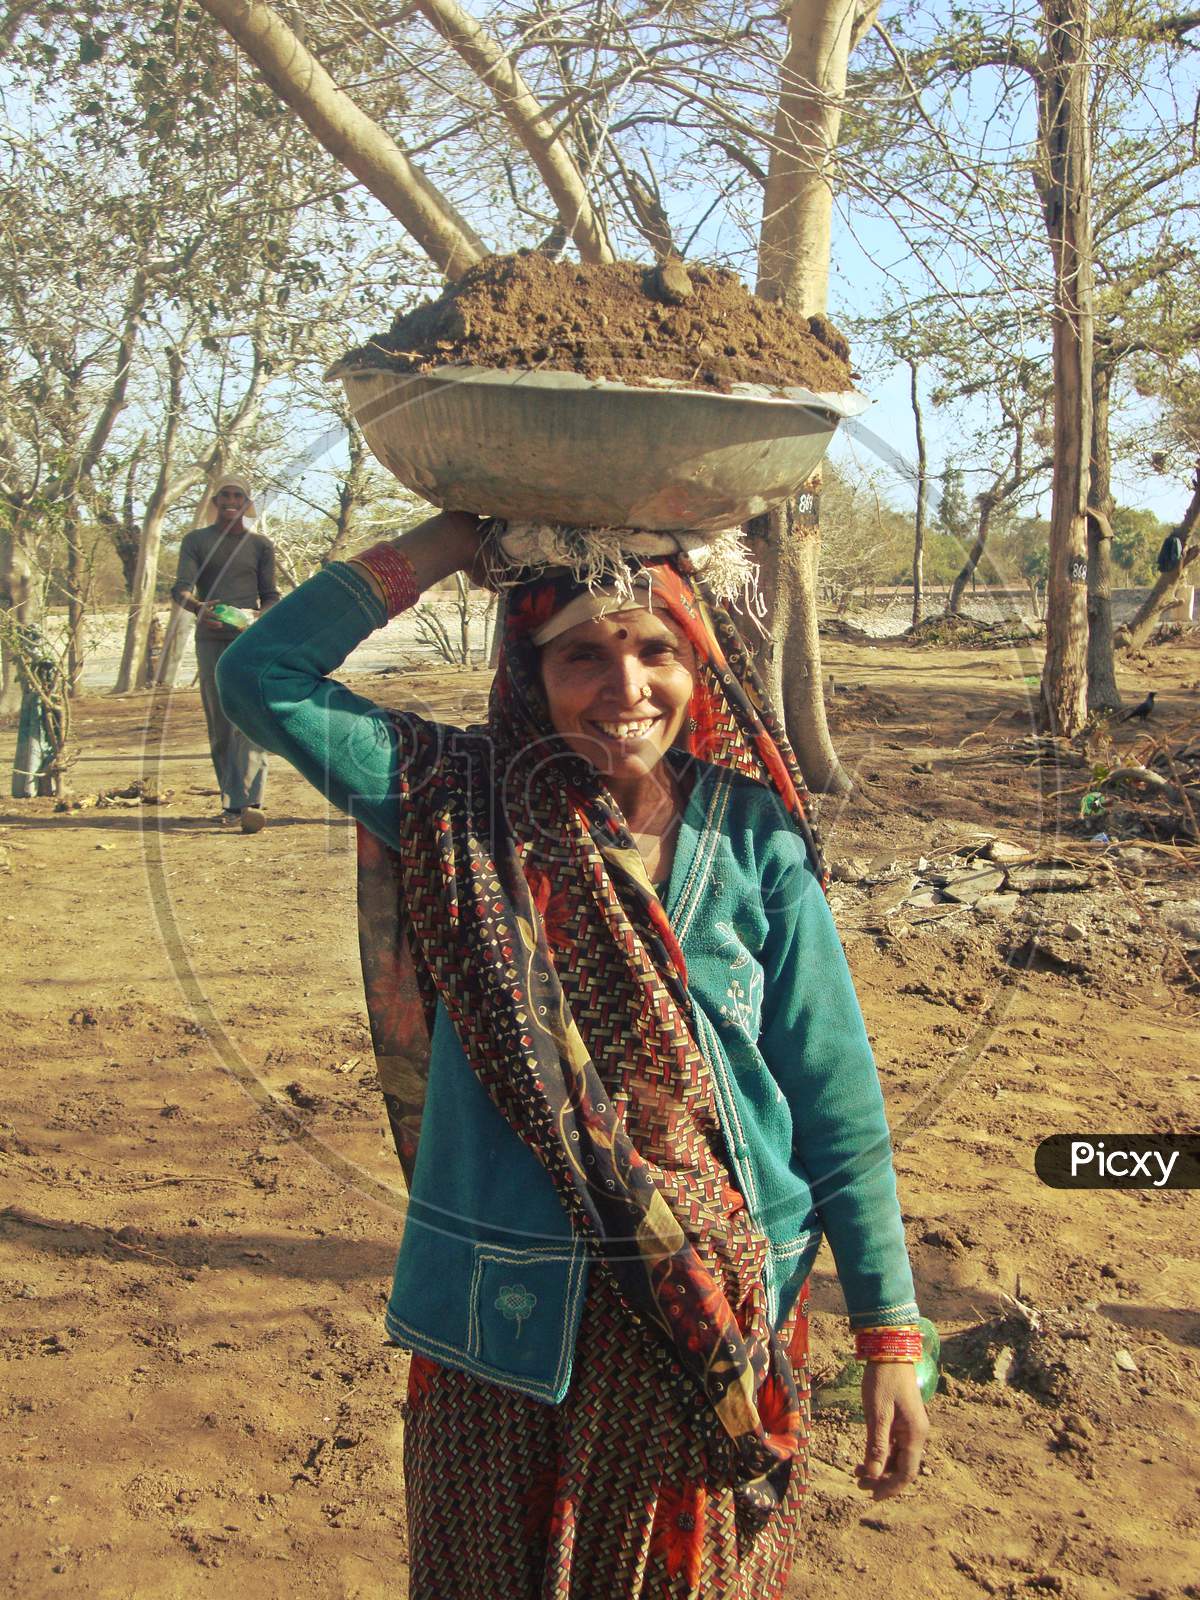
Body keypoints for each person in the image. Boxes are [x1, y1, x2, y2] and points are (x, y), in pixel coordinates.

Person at [217, 510, 928, 1599]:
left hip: (714, 1319)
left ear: (700, 663)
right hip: (503, 1320)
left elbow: (837, 1102)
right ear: (527, 667)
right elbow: (262, 672)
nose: (625, 686)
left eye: (657, 650)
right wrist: (455, 539)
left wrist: (889, 1335)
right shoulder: (455, 804)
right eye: (582, 654)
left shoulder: (753, 841)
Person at [171, 479, 280, 833]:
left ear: (247, 502)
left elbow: (271, 595)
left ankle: (250, 802)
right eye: (225, 496)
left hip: (249, 640)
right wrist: (200, 609)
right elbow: (181, 589)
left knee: (249, 717)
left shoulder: (261, 545)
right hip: (210, 638)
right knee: (220, 722)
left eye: (238, 496)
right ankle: (231, 802)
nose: (231, 501)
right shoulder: (196, 541)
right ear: (214, 501)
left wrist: (261, 618)